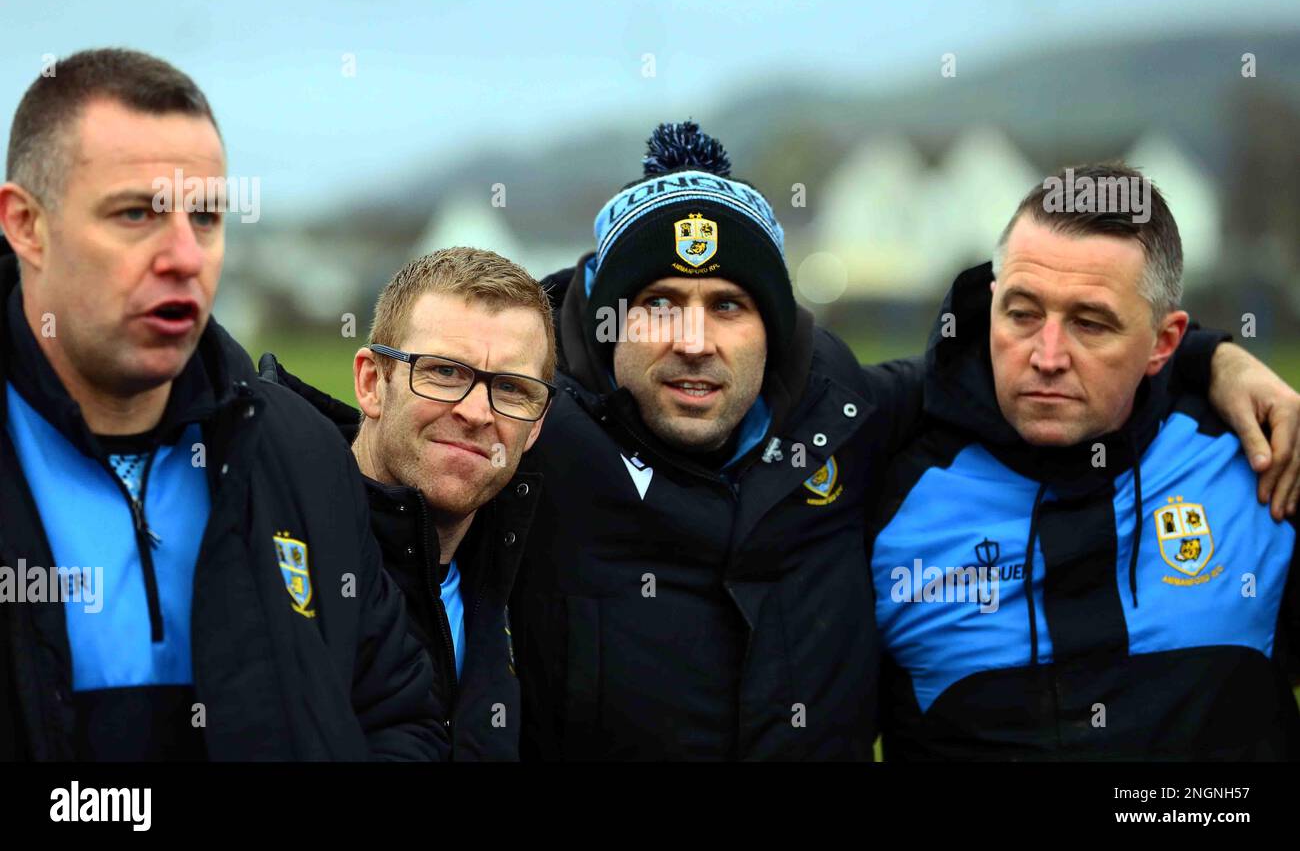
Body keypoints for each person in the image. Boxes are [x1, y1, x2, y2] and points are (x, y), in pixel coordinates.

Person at [511, 122, 1298, 760]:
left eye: (727, 305)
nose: (693, 339)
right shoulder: (531, 447)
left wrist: (1218, 359)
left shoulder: (848, 424)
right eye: (657, 301)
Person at [0, 48, 444, 760]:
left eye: (205, 217)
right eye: (137, 212)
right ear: (26, 225)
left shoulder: (296, 451)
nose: (183, 254)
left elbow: (402, 716)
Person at [870, 163, 1300, 759]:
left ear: (1165, 343)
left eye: (1090, 323)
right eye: (1021, 314)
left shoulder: (1259, 463)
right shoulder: (888, 490)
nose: (1047, 356)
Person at [259, 247, 554, 759]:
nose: (477, 412)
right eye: (443, 372)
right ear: (372, 383)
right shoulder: (276, 547)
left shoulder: (519, 569)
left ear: (536, 426)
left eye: (511, 388)